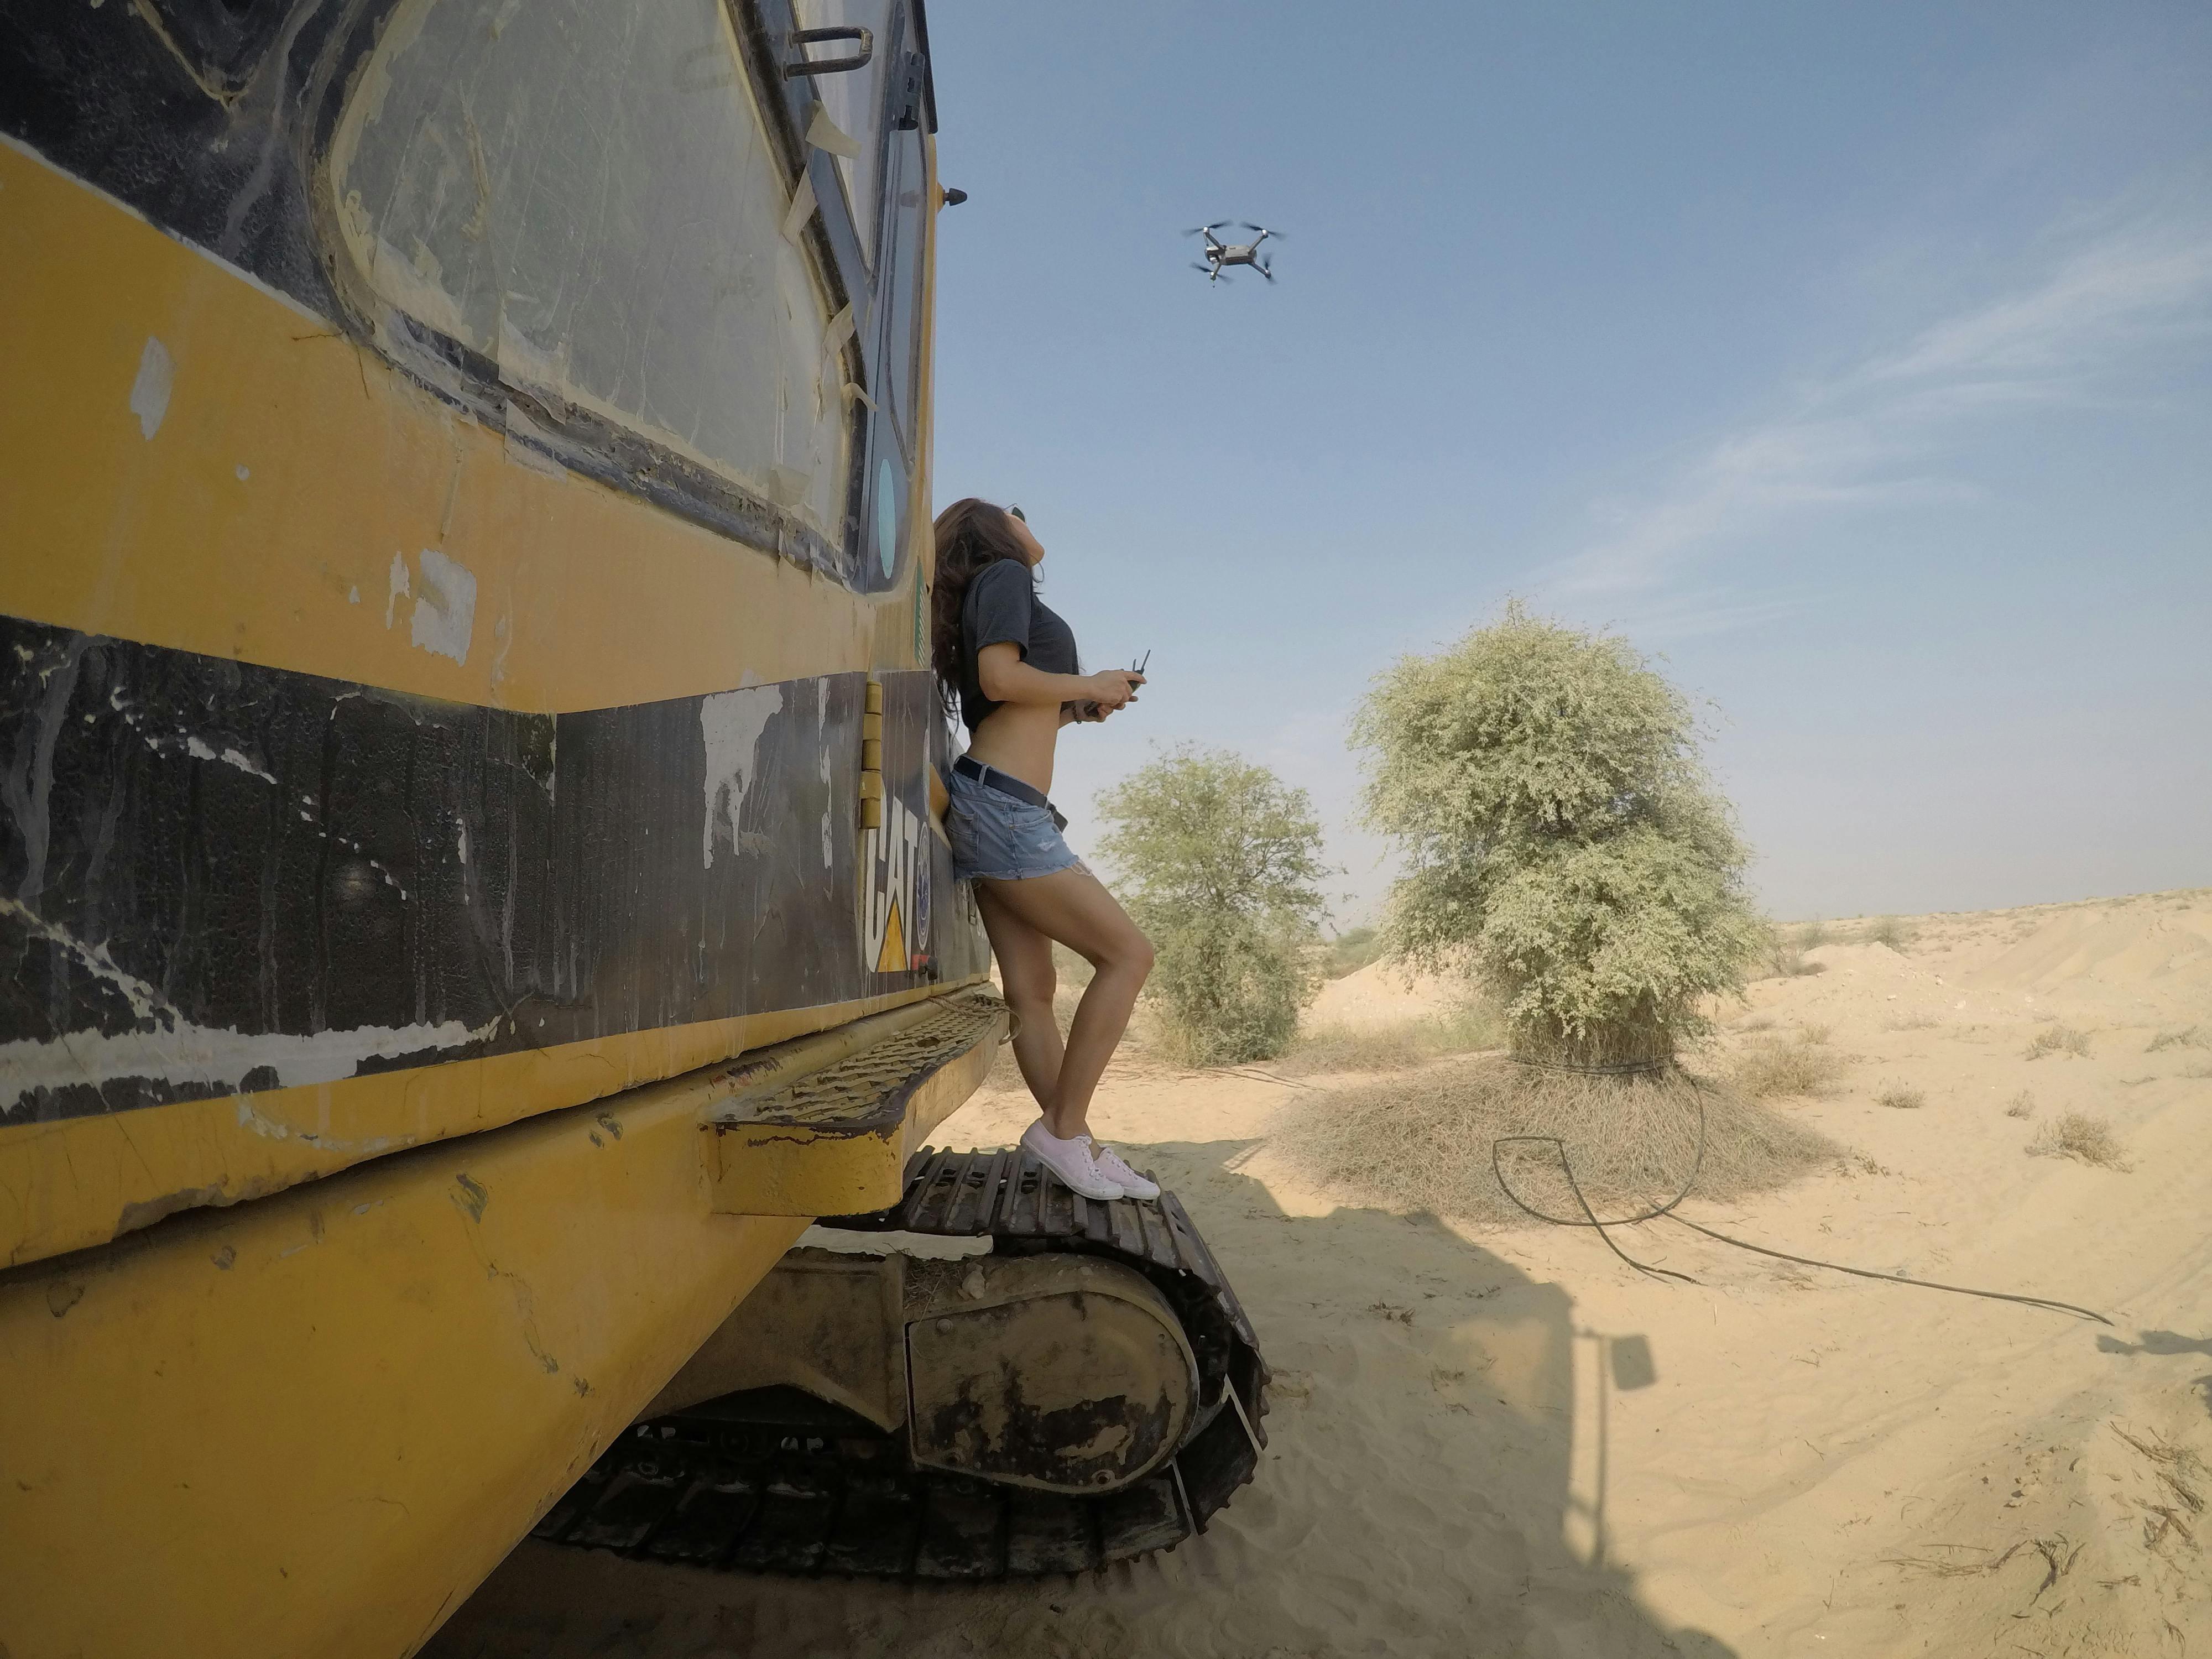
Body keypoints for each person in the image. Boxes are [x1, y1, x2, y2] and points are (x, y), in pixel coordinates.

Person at [930, 498, 1159, 1202]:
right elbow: (1001, 679)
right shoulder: (1004, 574)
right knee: (1128, 955)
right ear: (991, 530)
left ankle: (1075, 1143)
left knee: (1032, 991)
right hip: (1002, 806)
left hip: (994, 797)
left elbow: (1014, 701)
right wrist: (1086, 683)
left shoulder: (994, 588)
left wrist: (1085, 704)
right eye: (1015, 511)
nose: (1031, 520)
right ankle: (1062, 1132)